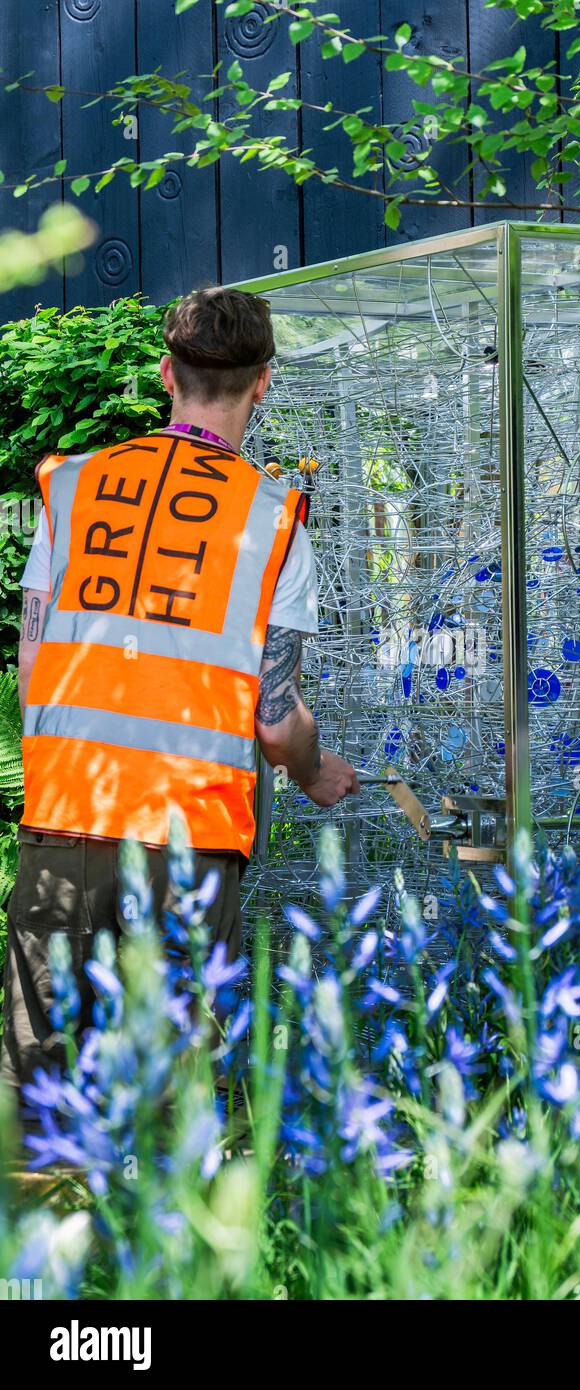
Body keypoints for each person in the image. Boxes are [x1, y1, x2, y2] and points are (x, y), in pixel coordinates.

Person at [0, 286, 359, 1104]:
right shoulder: (272, 521)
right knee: (171, 1117)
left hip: (62, 827)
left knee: (41, 1105)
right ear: (262, 382)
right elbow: (275, 723)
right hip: (187, 848)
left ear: (168, 373)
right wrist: (313, 771)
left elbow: (33, 664)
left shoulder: (74, 488)